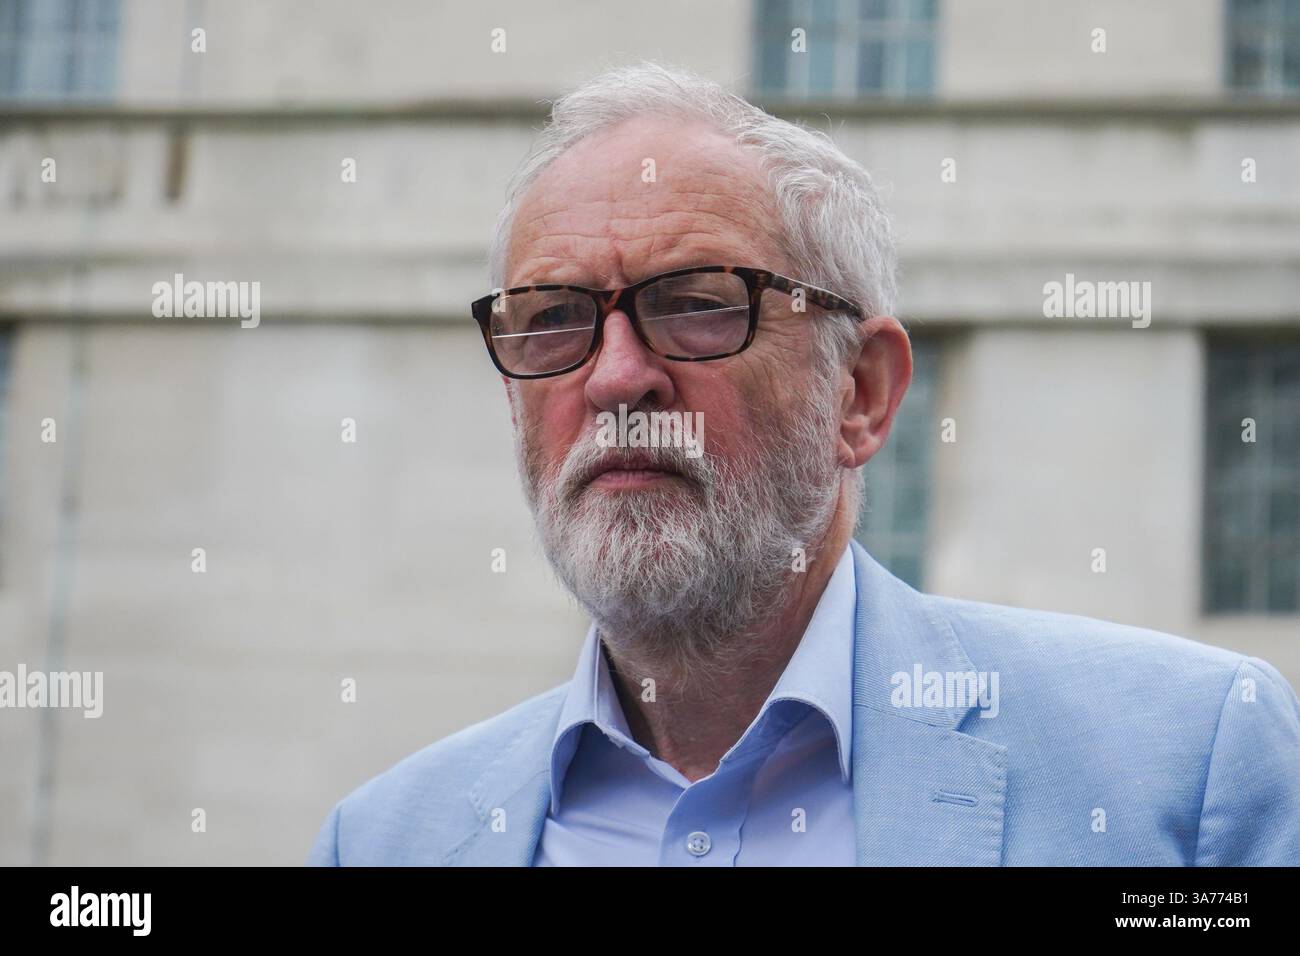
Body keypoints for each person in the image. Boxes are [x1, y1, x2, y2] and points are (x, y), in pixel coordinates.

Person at [309, 63, 1300, 866]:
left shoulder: (1188, 767)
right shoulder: (385, 839)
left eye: (697, 302)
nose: (616, 378)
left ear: (860, 392)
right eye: (555, 320)